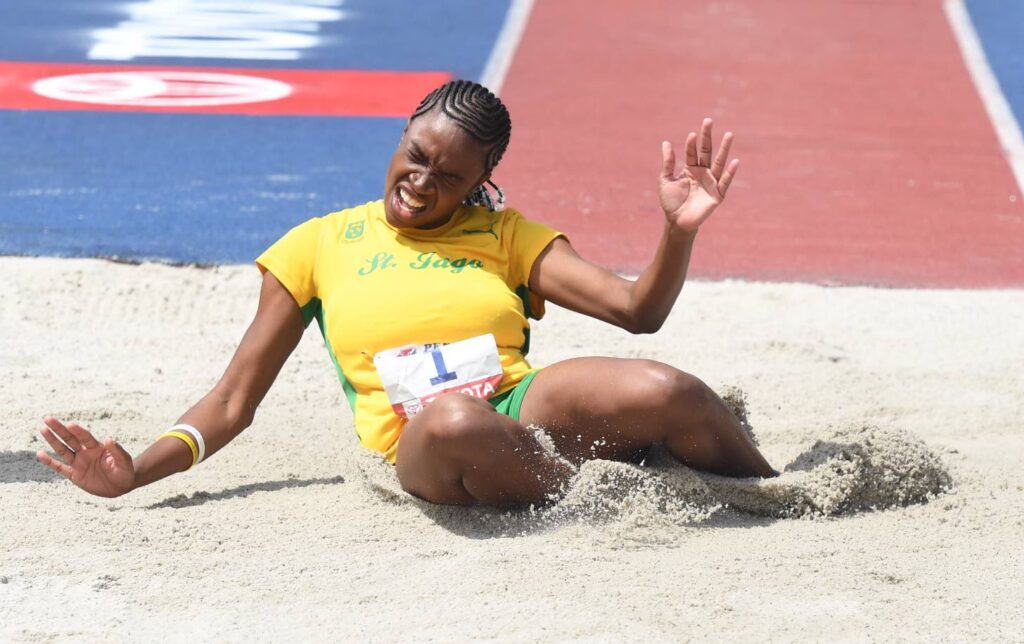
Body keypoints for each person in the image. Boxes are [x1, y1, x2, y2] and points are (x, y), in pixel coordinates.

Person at [37, 80, 776, 508]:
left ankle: (772, 493)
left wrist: (677, 232)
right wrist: (137, 473)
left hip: (521, 407)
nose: (421, 183)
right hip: (422, 445)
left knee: (668, 389)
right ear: (403, 135)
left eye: (449, 177)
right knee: (453, 421)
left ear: (481, 179)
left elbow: (638, 312)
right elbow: (232, 401)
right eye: (416, 157)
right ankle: (582, 489)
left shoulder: (505, 235)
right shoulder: (317, 244)